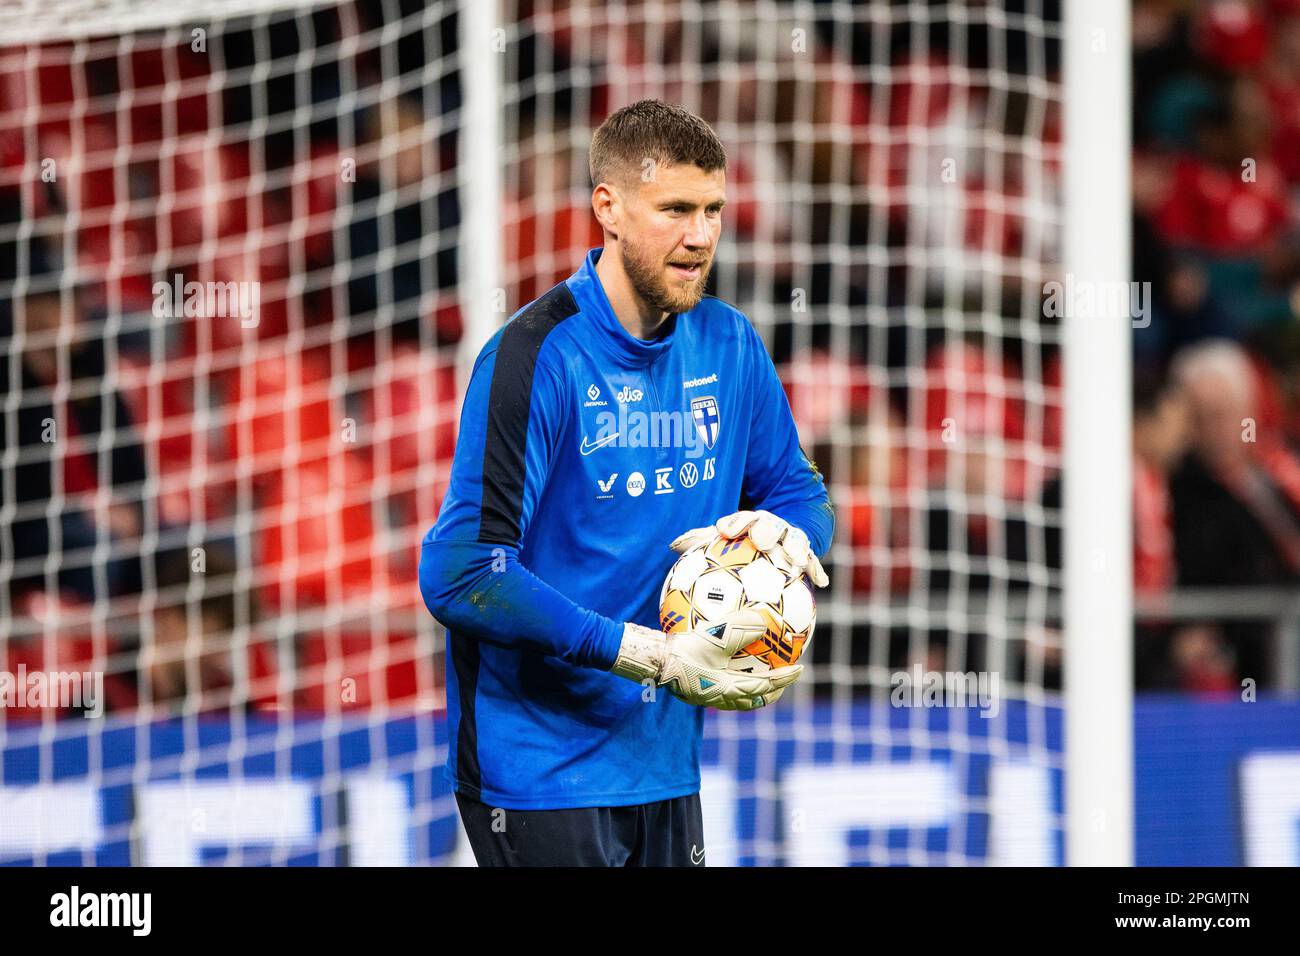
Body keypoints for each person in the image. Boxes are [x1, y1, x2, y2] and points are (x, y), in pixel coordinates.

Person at [419, 100, 833, 866]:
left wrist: (791, 532)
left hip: (664, 765)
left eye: (712, 209)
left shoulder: (731, 346)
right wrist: (638, 653)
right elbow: (460, 571)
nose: (701, 235)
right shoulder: (534, 357)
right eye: (675, 209)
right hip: (538, 772)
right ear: (607, 208)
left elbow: (797, 489)